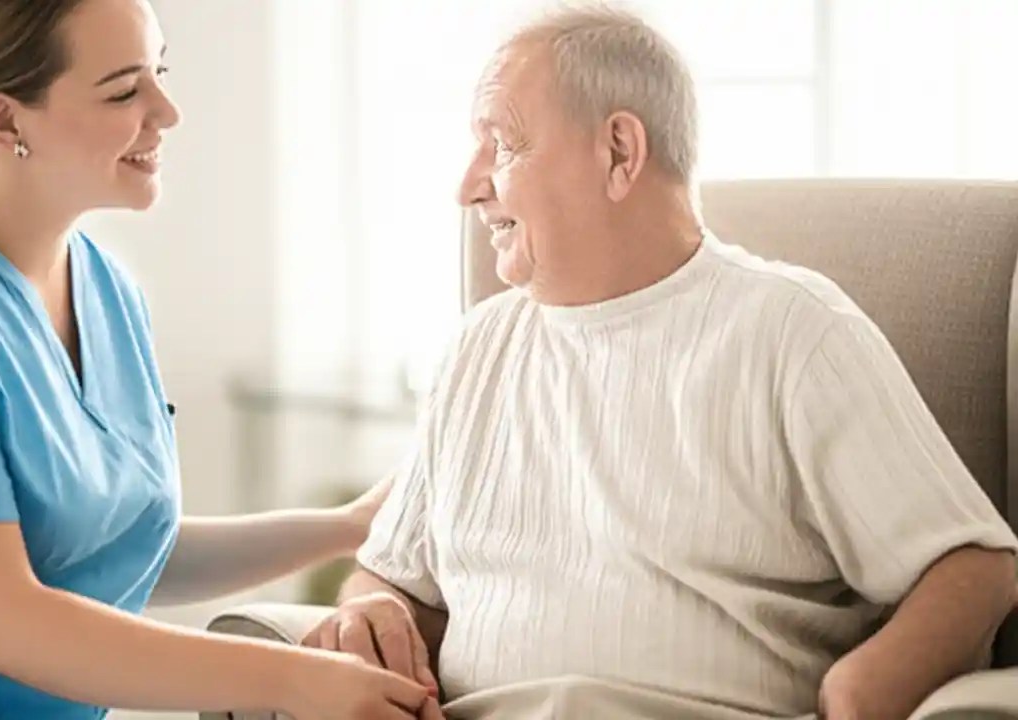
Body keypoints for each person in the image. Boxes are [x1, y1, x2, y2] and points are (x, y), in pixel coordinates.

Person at [302, 6, 1018, 720]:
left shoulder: (793, 331)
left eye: (503, 145)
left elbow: (976, 567)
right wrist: (373, 611)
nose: (468, 186)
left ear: (619, 151)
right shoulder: (476, 348)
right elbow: (392, 575)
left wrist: (862, 690)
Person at [0, 0, 438, 718]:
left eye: (158, 73)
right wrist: (294, 679)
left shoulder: (107, 289)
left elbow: (111, 550)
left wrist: (353, 524)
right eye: (124, 89)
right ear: (6, 121)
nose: (167, 111)